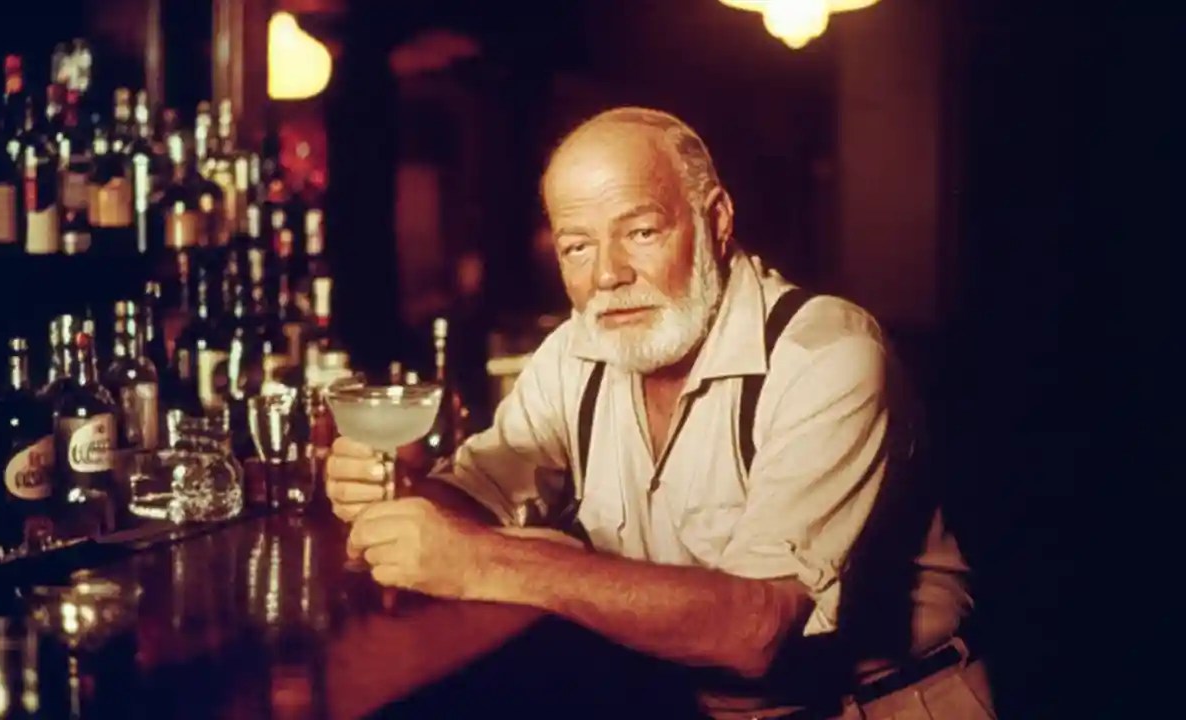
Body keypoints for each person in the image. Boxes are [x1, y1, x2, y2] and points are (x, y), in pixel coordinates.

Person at [326, 107, 994, 719]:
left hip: (882, 707)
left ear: (717, 220)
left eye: (641, 232)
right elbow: (474, 499)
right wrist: (404, 490)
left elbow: (757, 631)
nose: (608, 274)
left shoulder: (826, 355)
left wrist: (489, 561)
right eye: (577, 246)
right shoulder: (576, 354)